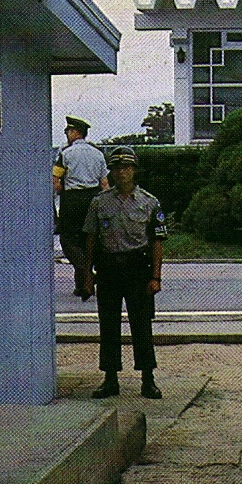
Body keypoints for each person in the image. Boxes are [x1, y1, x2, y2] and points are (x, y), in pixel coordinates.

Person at [83, 146, 168, 400]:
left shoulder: (149, 202)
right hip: (108, 269)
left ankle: (148, 378)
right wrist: (87, 274)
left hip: (137, 270)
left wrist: (156, 276)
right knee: (108, 326)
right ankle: (110, 379)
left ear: (135, 171)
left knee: (141, 326)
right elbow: (90, 239)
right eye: (117, 168)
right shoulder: (99, 203)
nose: (122, 173)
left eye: (127, 168)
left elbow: (156, 241)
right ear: (111, 172)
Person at [53, 116, 109, 300]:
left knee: (68, 240)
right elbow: (104, 183)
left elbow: (56, 181)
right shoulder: (98, 154)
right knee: (88, 239)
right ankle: (81, 286)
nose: (67, 135)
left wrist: (59, 195)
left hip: (73, 199)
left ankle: (85, 273)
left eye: (68, 131)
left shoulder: (66, 154)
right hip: (93, 198)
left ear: (75, 132)